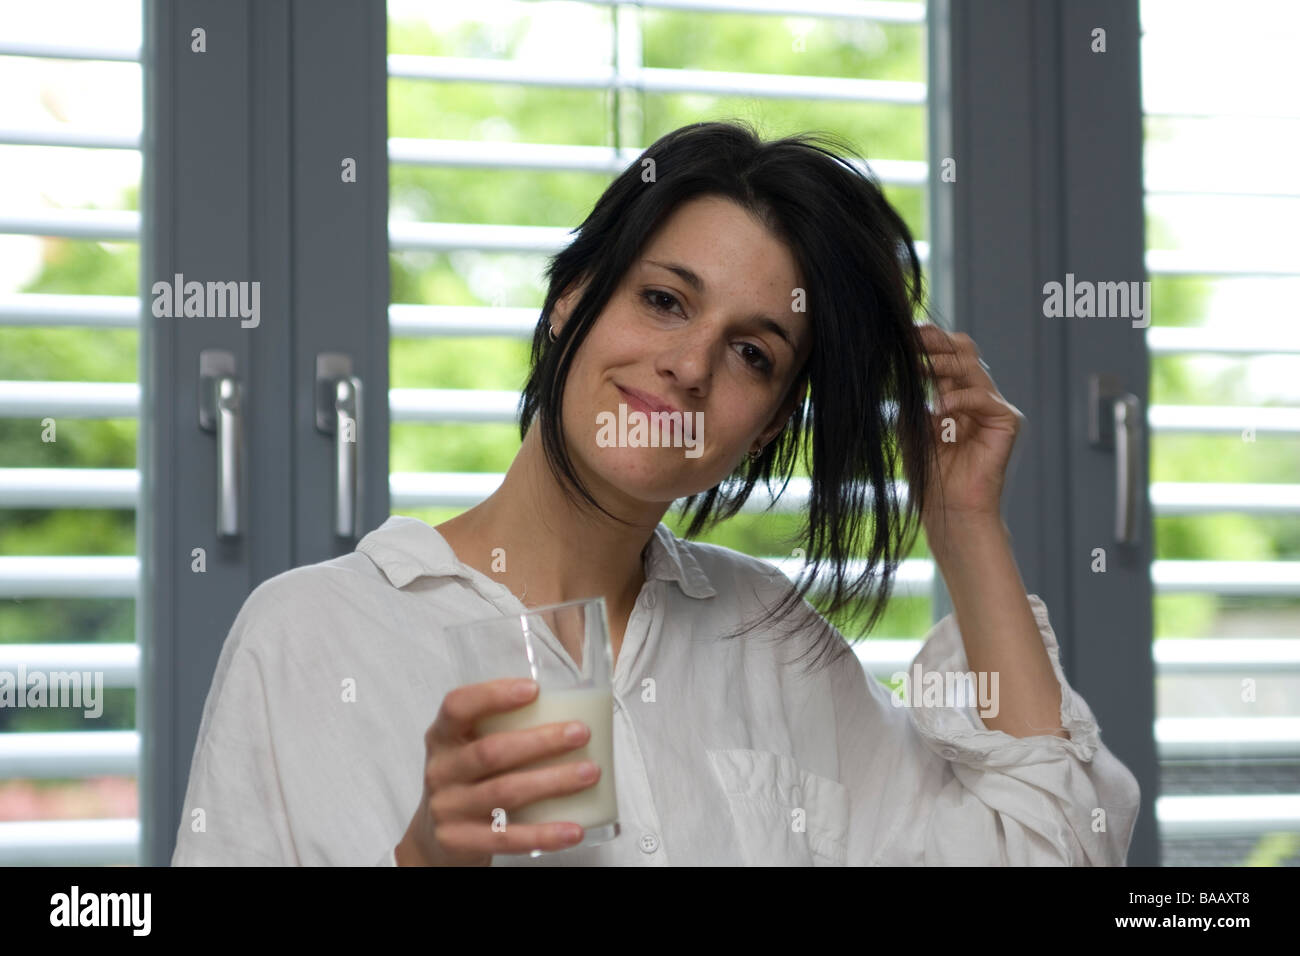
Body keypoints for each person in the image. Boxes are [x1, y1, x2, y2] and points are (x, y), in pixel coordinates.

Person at [171, 120, 1140, 866]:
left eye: (751, 352)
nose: (687, 365)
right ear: (570, 300)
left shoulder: (771, 638)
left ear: (765, 424)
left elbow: (1051, 849)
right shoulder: (312, 634)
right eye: (664, 299)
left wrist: (966, 523)